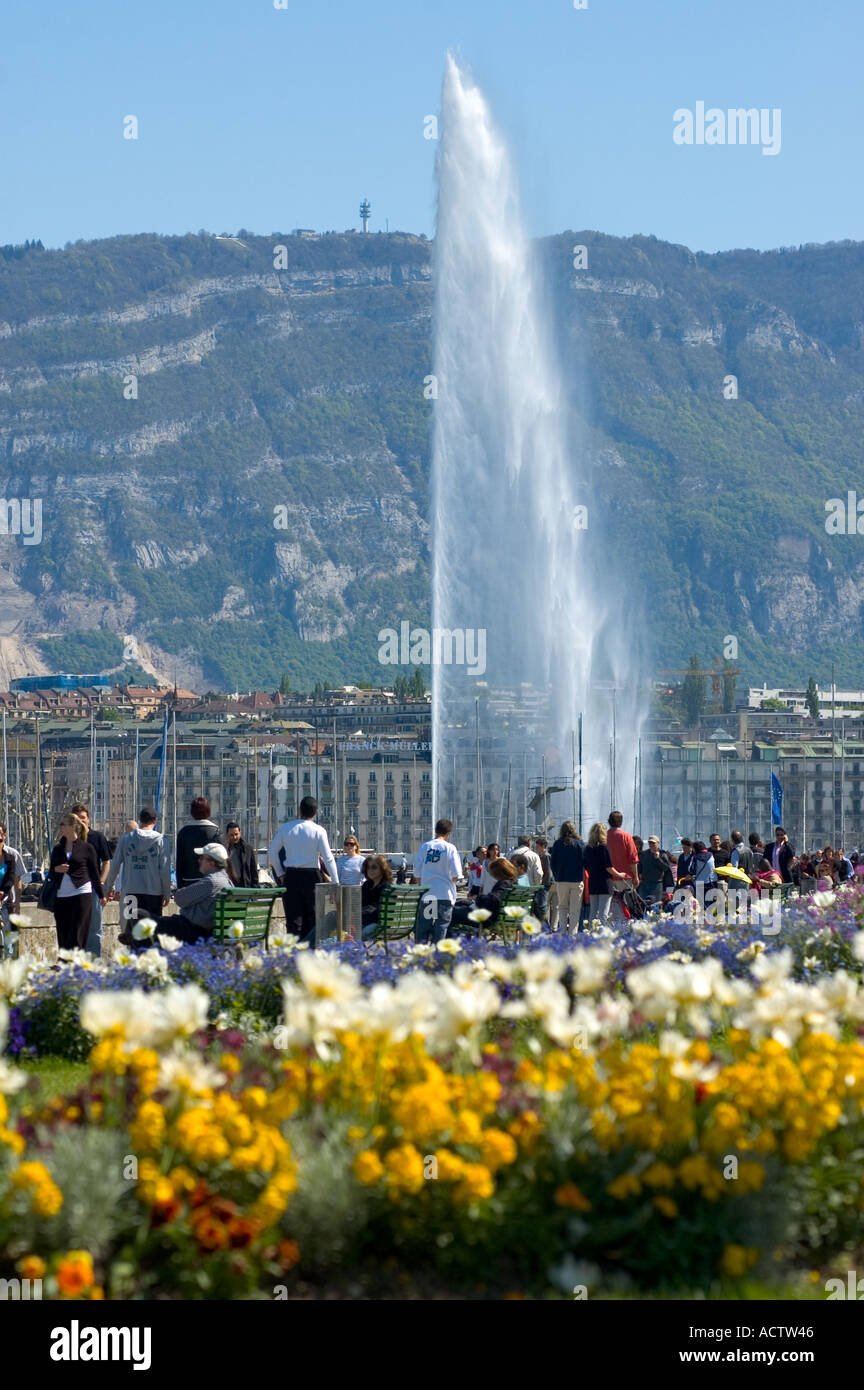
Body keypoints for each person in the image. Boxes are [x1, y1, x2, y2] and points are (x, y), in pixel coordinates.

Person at [268, 797, 339, 943]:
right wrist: (336, 883)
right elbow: (328, 858)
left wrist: (281, 874)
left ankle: (293, 955)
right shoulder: (319, 831)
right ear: (316, 812)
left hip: (292, 877)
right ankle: (309, 954)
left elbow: (272, 852)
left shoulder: (286, 828)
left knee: (293, 921)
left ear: (299, 810)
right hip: (312, 877)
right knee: (313, 919)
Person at [105, 807, 171, 940]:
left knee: (131, 932)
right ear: (155, 820)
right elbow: (164, 870)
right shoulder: (161, 841)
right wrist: (167, 892)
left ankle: (133, 958)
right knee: (151, 933)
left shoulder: (126, 839)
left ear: (140, 820)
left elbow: (115, 865)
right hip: (153, 893)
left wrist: (108, 887)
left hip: (130, 892)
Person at [152, 844, 232, 945]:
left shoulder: (211, 882)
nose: (199, 860)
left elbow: (179, 899)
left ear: (212, 863)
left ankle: (137, 954)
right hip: (204, 930)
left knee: (142, 916)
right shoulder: (227, 882)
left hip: (191, 930)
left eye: (202, 858)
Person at [49, 812, 105, 951]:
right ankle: (65, 962)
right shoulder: (57, 849)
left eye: (63, 824)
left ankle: (77, 963)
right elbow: (51, 873)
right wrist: (57, 869)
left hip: (81, 892)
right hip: (62, 895)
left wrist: (101, 895)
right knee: (63, 931)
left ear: (72, 826)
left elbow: (94, 874)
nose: (60, 827)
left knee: (78, 930)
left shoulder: (86, 848)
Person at [412, 818, 463, 944]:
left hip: (429, 894)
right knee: (441, 926)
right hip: (445, 894)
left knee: (424, 926)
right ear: (449, 833)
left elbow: (417, 873)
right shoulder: (450, 848)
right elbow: (456, 874)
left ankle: (420, 952)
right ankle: (437, 953)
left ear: (435, 830)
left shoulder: (425, 846)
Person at [71, 803, 111, 957]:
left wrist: (101, 883)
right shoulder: (68, 839)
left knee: (94, 929)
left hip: (93, 889)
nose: (81, 822)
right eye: (77, 819)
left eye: (83, 818)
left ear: (88, 819)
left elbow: (107, 862)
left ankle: (93, 960)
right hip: (74, 889)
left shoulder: (98, 837)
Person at [450, 857, 518, 932]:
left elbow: (494, 899)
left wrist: (478, 897)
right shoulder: (513, 883)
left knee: (450, 912)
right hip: (493, 916)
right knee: (461, 902)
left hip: (486, 920)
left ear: (498, 872)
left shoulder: (504, 884)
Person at [583, 822, 627, 923]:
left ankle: (590, 933)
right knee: (603, 913)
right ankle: (601, 935)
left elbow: (586, 866)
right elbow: (609, 868)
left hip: (593, 883)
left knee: (593, 913)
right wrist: (620, 874)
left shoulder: (587, 849)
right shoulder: (604, 848)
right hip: (605, 883)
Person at [176, 798, 224, 888]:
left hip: (188, 881)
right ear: (208, 811)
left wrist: (180, 885)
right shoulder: (215, 831)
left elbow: (179, 861)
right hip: (211, 881)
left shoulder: (183, 832)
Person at [549, 821, 585, 933]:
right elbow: (585, 861)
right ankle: (572, 934)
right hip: (576, 879)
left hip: (561, 879)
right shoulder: (580, 844)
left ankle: (563, 931)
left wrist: (556, 875)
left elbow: (552, 862)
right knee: (575, 910)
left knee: (562, 907)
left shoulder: (557, 844)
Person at [606, 811, 639, 923]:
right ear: (621, 822)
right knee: (625, 906)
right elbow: (633, 859)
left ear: (609, 821)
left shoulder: (604, 837)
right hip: (624, 878)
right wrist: (635, 877)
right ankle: (624, 929)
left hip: (607, 878)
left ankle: (610, 929)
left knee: (609, 908)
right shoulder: (626, 836)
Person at [360, 854, 393, 940]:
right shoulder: (367, 885)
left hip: (379, 924)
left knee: (349, 933)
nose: (370, 870)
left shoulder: (387, 887)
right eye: (368, 867)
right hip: (364, 921)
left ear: (382, 868)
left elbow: (381, 910)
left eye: (374, 867)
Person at [0, 823, 24, 935]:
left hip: (7, 903)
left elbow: (16, 879)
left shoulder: (12, 854)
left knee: (9, 940)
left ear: (4, 835)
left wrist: (18, 903)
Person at [638, 835, 672, 907]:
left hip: (656, 884)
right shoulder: (644, 854)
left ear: (658, 843)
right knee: (643, 904)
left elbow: (666, 868)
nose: (651, 845)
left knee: (655, 905)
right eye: (650, 843)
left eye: (653, 843)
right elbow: (639, 865)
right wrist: (639, 874)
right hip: (644, 884)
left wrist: (658, 859)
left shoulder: (663, 854)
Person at [225, 822, 259, 888]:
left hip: (245, 887)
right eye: (231, 835)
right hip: (229, 886)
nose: (234, 837)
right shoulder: (224, 849)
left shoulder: (248, 849)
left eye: (236, 834)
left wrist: (255, 888)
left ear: (240, 833)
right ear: (227, 835)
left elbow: (253, 870)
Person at [534, 835, 552, 925]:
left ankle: (546, 926)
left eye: (537, 846)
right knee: (540, 906)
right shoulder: (539, 856)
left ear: (543, 846)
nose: (536, 848)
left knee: (542, 905)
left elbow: (548, 872)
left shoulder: (546, 856)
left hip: (544, 884)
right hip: (541, 884)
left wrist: (544, 884)